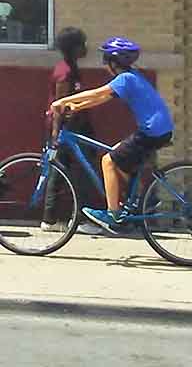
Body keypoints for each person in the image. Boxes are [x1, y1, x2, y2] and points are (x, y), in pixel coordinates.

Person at [50, 36, 173, 235]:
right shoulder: (132, 76)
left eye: (105, 60)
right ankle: (142, 199)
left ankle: (113, 214)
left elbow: (97, 93)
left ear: (114, 63)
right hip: (158, 130)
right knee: (118, 155)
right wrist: (77, 106)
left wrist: (62, 101)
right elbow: (103, 98)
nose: (104, 64)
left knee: (107, 161)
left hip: (151, 131)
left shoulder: (125, 79)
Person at [42, 26, 101, 235]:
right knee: (81, 172)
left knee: (63, 173)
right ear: (74, 48)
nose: (86, 48)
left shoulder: (72, 68)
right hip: (67, 130)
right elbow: (60, 105)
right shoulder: (65, 72)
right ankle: (80, 220)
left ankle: (51, 219)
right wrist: (56, 135)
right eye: (82, 44)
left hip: (76, 128)